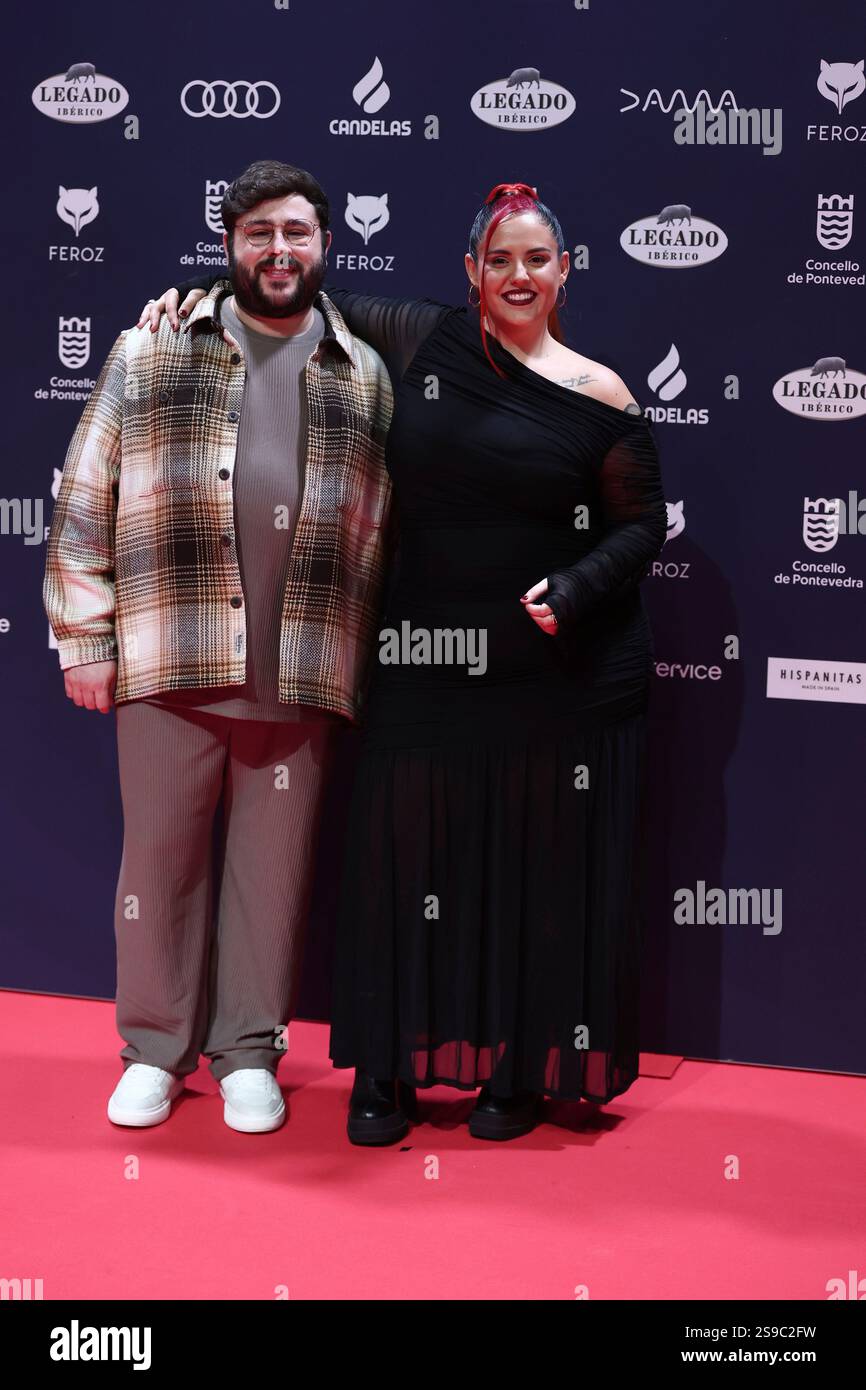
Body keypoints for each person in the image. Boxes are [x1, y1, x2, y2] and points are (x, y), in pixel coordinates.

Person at [142, 180, 667, 1144]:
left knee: (532, 872)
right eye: (498, 259)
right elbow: (286, 279)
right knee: (402, 857)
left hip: (558, 673)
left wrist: (580, 587)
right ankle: (387, 1070)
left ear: (564, 271)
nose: (518, 275)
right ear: (470, 271)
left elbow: (643, 527)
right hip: (419, 654)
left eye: (536, 259)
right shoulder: (423, 338)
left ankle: (517, 1068)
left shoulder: (603, 390)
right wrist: (194, 287)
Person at [43, 160, 394, 1133]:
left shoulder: (362, 374)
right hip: (173, 660)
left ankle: (248, 1051)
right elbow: (82, 501)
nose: (277, 252)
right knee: (156, 869)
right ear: (229, 242)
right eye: (258, 234)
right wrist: (84, 638)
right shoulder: (152, 348)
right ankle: (154, 1047)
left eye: (296, 234)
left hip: (299, 674)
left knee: (271, 880)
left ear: (324, 245)